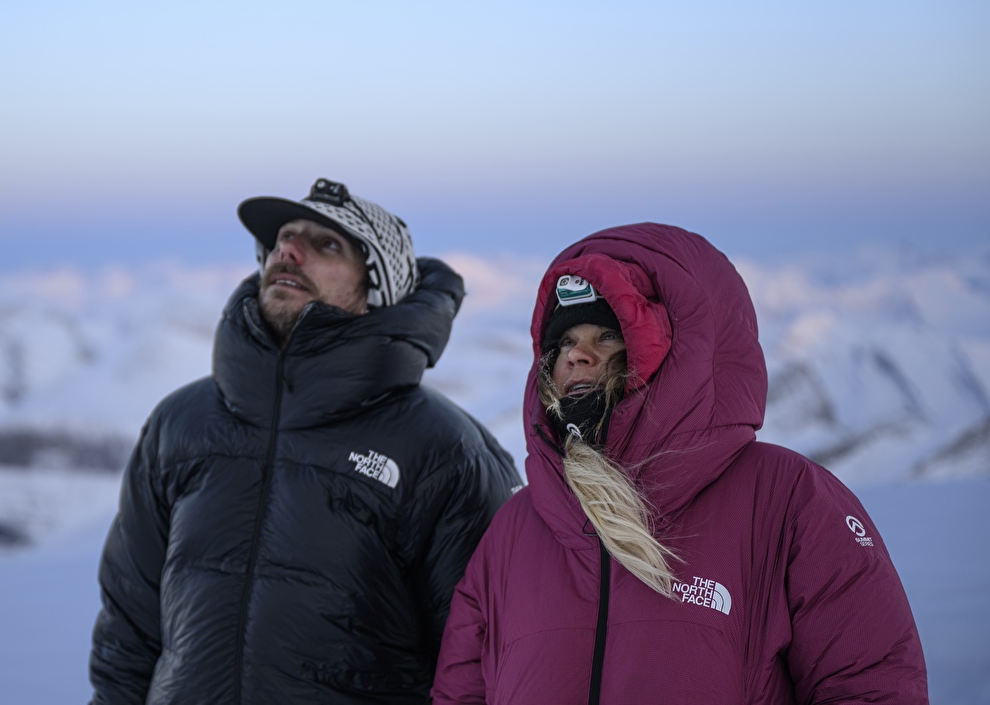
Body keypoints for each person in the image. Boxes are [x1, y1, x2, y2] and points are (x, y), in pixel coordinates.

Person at [432, 223, 928, 704]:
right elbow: (461, 692)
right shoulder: (516, 531)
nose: (578, 355)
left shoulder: (785, 499)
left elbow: (871, 684)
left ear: (673, 352)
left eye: (607, 335)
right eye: (563, 341)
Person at [90, 178, 521, 705]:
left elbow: (485, 664)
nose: (288, 251)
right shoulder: (181, 424)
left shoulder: (443, 449)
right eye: (282, 240)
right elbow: (128, 628)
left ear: (376, 288)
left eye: (326, 245)